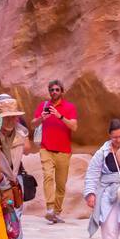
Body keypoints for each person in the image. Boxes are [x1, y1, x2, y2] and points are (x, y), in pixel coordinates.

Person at [0, 94, 31, 239]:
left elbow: (26, 151)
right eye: (6, 117)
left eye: (12, 116)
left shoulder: (21, 133)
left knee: (15, 219)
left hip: (14, 183)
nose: (10, 120)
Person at [32, 79, 77, 223]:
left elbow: (74, 127)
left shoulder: (69, 107)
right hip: (46, 148)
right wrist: (41, 118)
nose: (54, 92)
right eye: (52, 90)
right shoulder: (43, 106)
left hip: (63, 151)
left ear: (62, 91)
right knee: (48, 176)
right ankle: (50, 208)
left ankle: (56, 212)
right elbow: (33, 124)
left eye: (57, 90)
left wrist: (60, 116)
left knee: (61, 184)